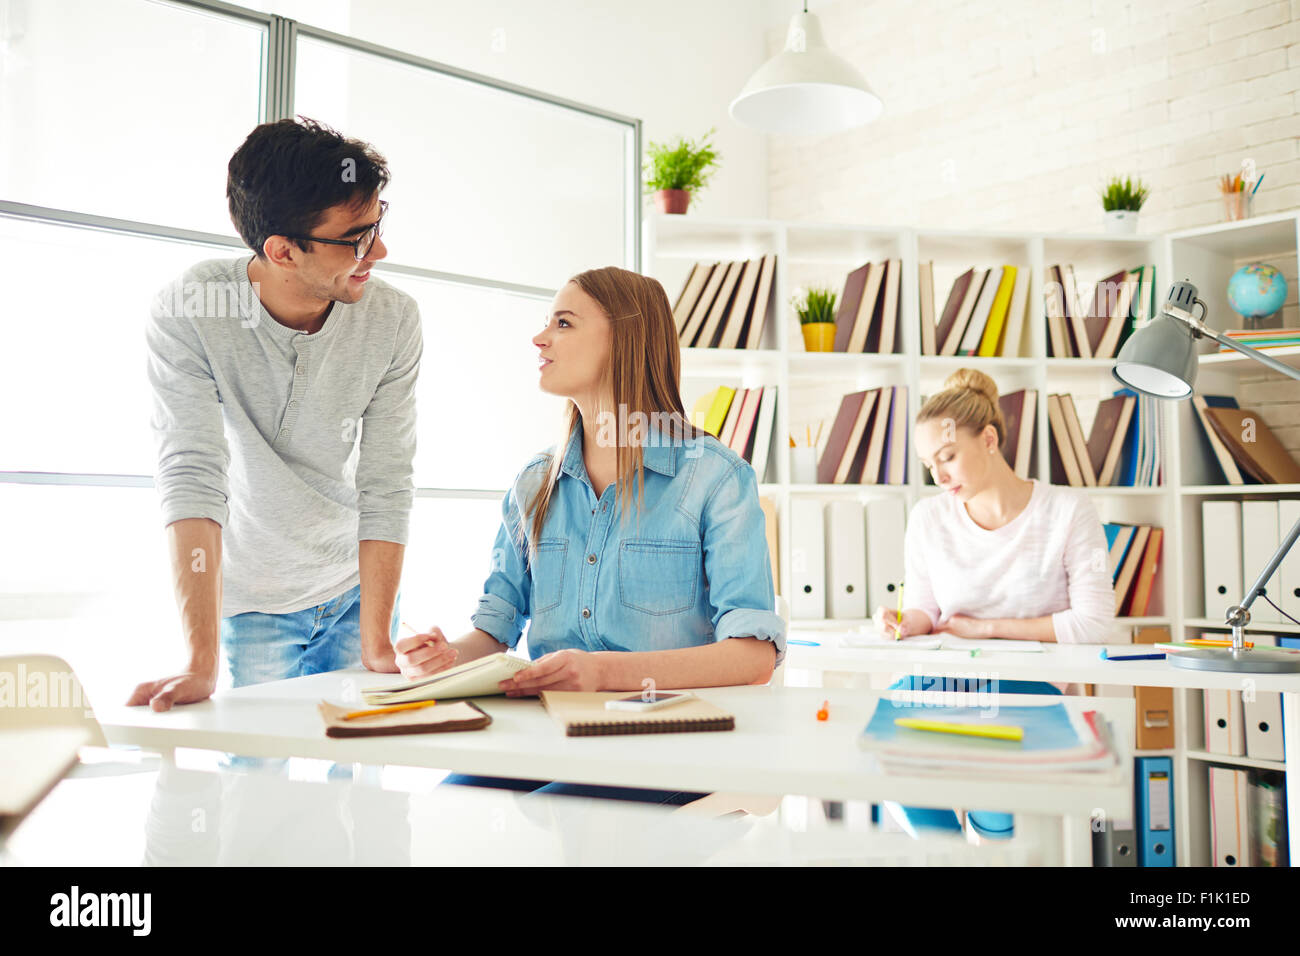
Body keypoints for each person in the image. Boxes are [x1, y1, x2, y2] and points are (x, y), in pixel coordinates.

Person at [396, 265, 785, 802]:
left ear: (624, 337)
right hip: (549, 738)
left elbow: (753, 656)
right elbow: (495, 629)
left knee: (545, 819)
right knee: (447, 810)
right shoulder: (534, 483)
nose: (540, 337)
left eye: (563, 322)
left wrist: (601, 672)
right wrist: (443, 660)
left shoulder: (715, 477)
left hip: (673, 747)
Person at [129, 118, 419, 712]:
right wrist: (199, 662)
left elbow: (387, 480)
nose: (379, 252)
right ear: (282, 249)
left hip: (354, 586)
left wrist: (378, 641)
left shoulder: (394, 318)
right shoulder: (191, 308)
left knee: (364, 779)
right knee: (255, 783)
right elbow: (191, 473)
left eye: (378, 225)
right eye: (356, 238)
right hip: (252, 593)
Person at [872, 368, 1116, 838]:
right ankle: (948, 851)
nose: (939, 476)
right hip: (948, 681)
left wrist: (986, 629)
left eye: (947, 457)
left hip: (1032, 688)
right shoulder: (928, 518)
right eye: (929, 465)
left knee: (997, 793)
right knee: (889, 736)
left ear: (988, 439)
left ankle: (990, 841)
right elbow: (927, 610)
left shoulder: (1067, 511)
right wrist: (905, 623)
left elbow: (1093, 623)